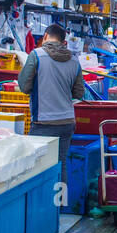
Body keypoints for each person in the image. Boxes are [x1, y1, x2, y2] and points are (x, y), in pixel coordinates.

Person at [17, 23, 85, 178]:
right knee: (61, 166)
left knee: (36, 169)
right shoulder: (74, 61)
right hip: (67, 122)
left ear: (45, 36)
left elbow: (24, 86)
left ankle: (44, 202)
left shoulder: (37, 55)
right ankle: (60, 201)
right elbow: (79, 93)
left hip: (43, 123)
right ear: (63, 41)